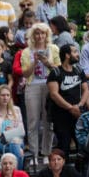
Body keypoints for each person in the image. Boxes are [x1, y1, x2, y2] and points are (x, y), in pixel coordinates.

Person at [20, 22, 60, 165]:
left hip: (50, 86)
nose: (40, 36)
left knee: (48, 121)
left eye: (43, 33)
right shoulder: (26, 51)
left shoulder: (53, 48)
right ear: (33, 35)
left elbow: (58, 69)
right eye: (37, 33)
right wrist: (35, 62)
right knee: (33, 122)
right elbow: (25, 73)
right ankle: (34, 155)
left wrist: (47, 62)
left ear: (47, 34)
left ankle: (46, 153)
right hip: (32, 86)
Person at [47, 43, 89, 155]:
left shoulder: (79, 70)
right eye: (75, 52)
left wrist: (79, 105)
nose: (77, 54)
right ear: (67, 55)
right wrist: (71, 108)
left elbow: (86, 90)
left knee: (82, 146)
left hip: (78, 114)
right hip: (61, 116)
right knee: (63, 147)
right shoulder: (55, 72)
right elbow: (54, 94)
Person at [0, 85, 25, 168]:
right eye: (3, 95)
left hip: (16, 140)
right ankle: (18, 174)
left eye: (8, 95)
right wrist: (4, 134)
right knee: (17, 150)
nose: (5, 98)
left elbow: (21, 131)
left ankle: (14, 174)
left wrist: (11, 133)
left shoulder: (16, 110)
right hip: (0, 142)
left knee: (14, 144)